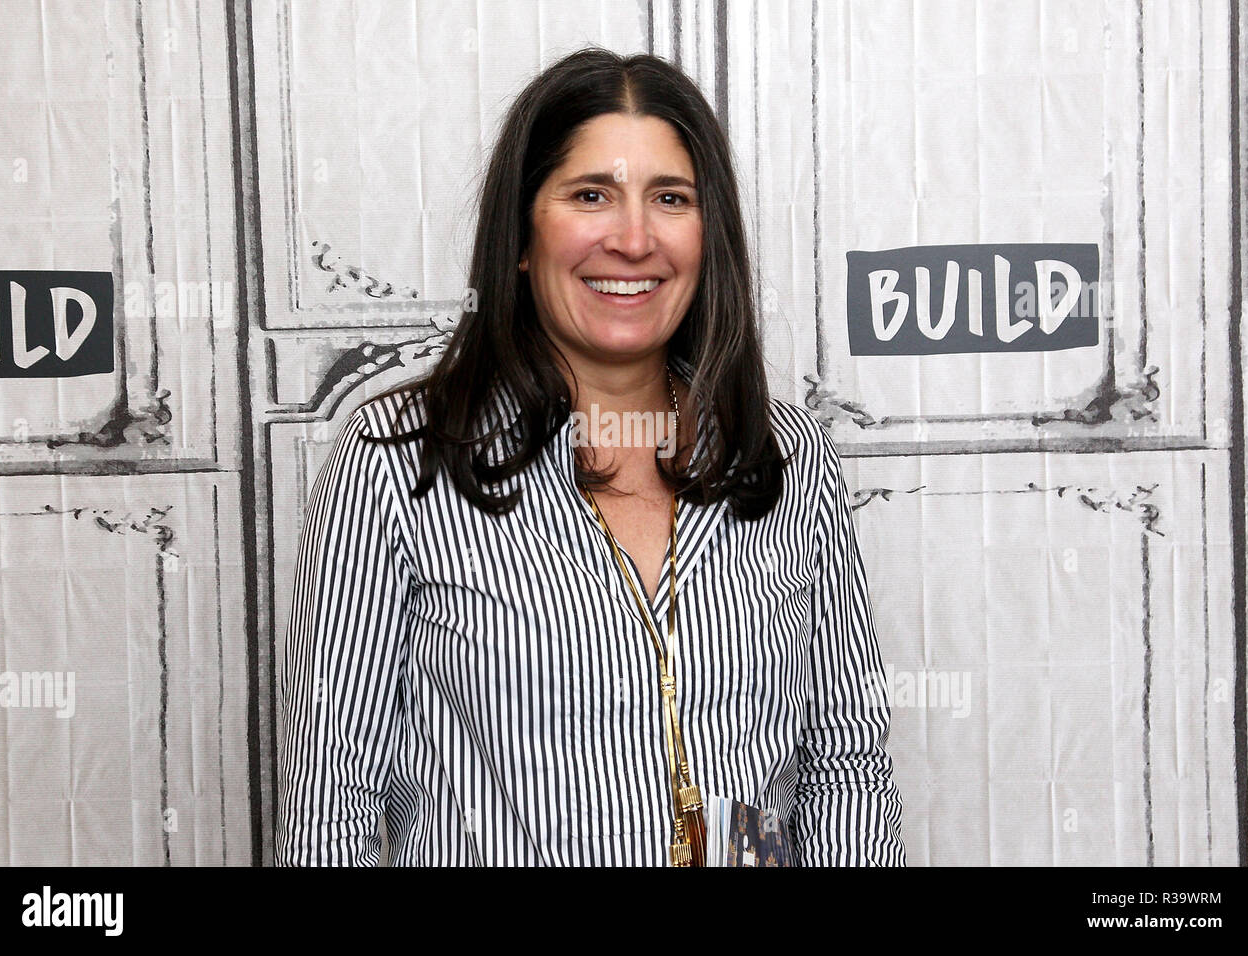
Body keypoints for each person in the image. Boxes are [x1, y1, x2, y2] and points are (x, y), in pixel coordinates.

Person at [275, 46, 905, 866]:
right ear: (524, 237)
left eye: (670, 198)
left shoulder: (788, 456)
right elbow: (331, 805)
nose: (634, 238)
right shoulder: (399, 461)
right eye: (591, 195)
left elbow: (847, 764)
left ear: (708, 236)